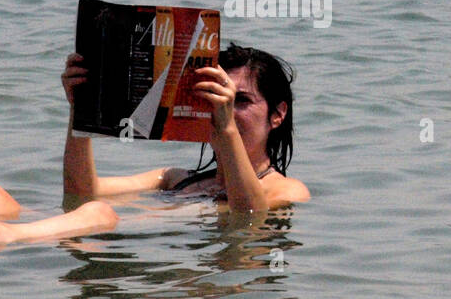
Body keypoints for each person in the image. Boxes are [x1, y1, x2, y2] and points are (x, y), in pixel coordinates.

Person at [63, 43, 309, 214]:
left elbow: (248, 215)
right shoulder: (173, 179)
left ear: (277, 114)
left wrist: (226, 129)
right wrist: (80, 108)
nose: (223, 108)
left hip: (198, 281)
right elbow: (81, 192)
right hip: (146, 259)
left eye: (240, 101)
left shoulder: (286, 190)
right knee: (86, 210)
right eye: (214, 97)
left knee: (98, 214)